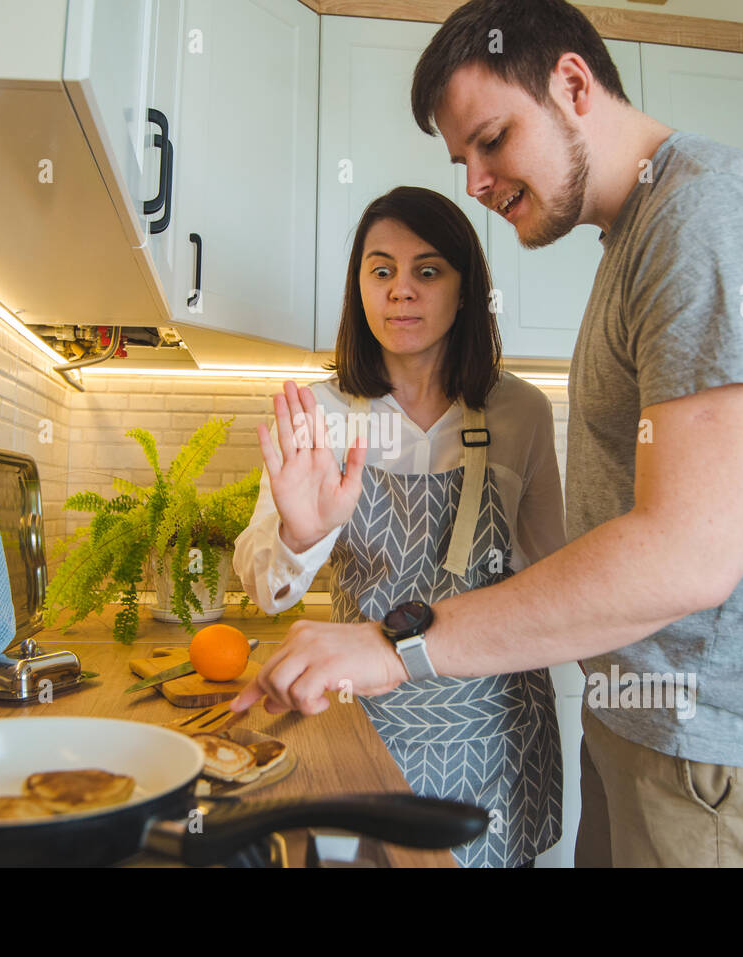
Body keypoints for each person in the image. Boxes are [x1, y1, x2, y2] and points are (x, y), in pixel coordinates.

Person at [232, 0, 743, 868]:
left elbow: (687, 552)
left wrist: (396, 644)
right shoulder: (641, 240)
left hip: (716, 750)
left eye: (492, 139)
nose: (475, 180)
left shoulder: (716, 219)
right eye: (461, 156)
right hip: (651, 732)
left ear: (573, 83)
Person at [232, 185, 565, 868]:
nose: (401, 291)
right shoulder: (321, 415)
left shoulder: (521, 413)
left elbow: (552, 579)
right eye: (381, 270)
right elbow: (268, 592)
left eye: (428, 270)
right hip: (367, 726)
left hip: (497, 736)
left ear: (466, 289)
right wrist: (298, 535)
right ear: (359, 287)